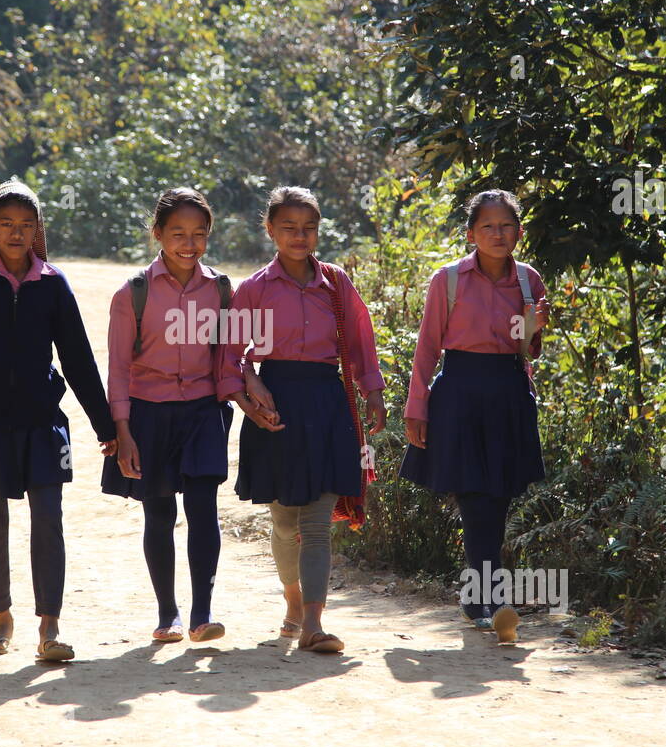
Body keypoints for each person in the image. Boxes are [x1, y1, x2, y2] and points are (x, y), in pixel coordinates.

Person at [0, 179, 117, 662]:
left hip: (41, 423)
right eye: (6, 223)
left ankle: (49, 628)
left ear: (37, 230)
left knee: (48, 521)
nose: (16, 233)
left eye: (26, 224)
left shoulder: (52, 285)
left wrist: (105, 425)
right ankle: (1, 619)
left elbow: (77, 359)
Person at [216, 186, 386, 654]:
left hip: (328, 403)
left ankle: (313, 620)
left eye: (309, 227)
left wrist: (372, 391)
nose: (299, 236)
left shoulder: (336, 283)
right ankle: (292, 600)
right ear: (269, 230)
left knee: (315, 522)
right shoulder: (252, 289)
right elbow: (230, 359)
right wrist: (252, 393)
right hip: (276, 406)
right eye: (288, 227)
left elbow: (360, 340)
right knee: (285, 521)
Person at [398, 189, 551, 645]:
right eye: (488, 226)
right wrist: (416, 407)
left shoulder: (528, 281)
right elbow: (428, 347)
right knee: (473, 498)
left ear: (519, 232)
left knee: (498, 498)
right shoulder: (448, 280)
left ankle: (479, 598)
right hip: (459, 394)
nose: (498, 234)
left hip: (507, 394)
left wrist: (534, 328)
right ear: (471, 234)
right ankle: (490, 599)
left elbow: (527, 350)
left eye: (507, 226)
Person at [102, 187, 234, 644]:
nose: (189, 243)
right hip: (148, 416)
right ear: (157, 234)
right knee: (158, 514)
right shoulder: (133, 293)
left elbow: (230, 357)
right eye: (177, 232)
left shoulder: (220, 290)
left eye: (199, 233)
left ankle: (203, 612)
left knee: (203, 510)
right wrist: (121, 430)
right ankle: (168, 613)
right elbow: (117, 367)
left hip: (202, 412)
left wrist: (246, 393)